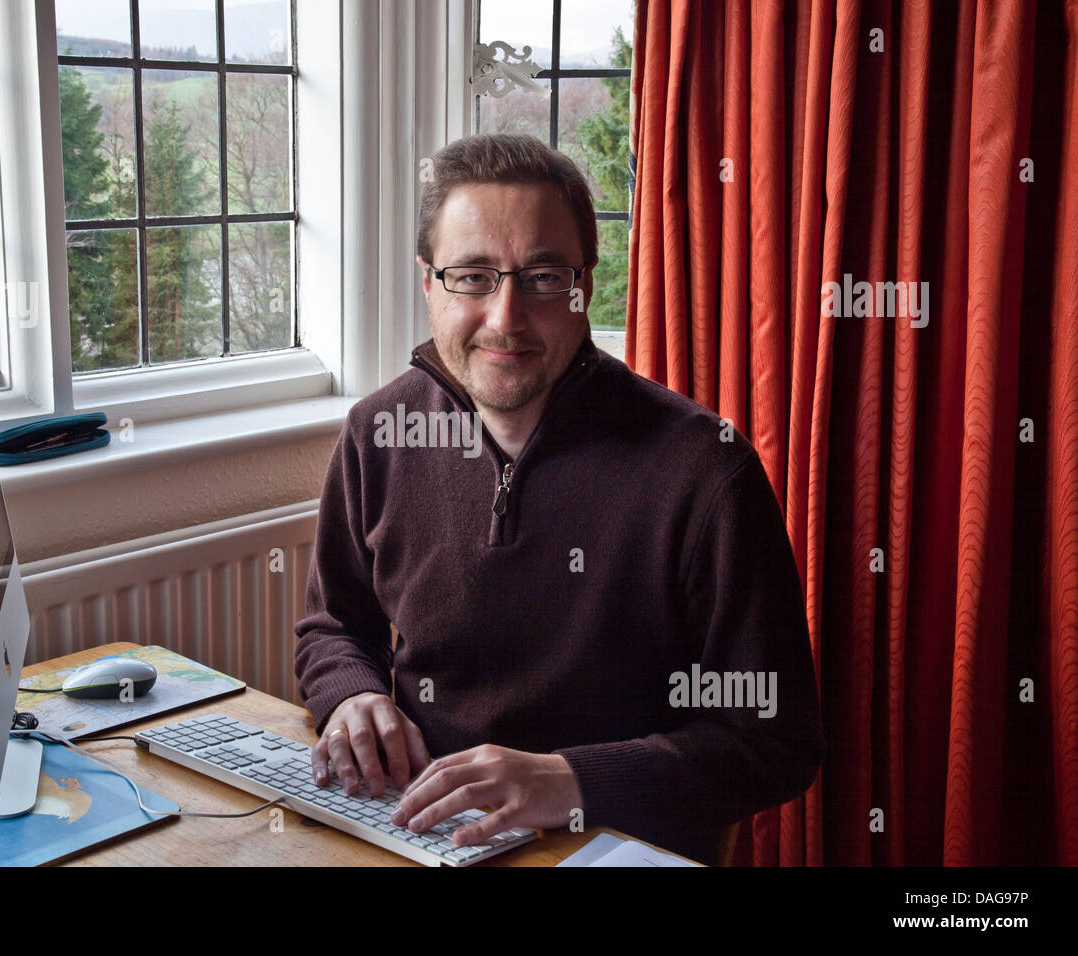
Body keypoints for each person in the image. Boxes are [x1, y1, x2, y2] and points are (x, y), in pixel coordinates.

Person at [294, 133, 823, 865]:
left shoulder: (707, 471)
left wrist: (570, 780)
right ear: (428, 283)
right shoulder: (377, 434)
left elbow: (774, 740)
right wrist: (351, 696)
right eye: (472, 276)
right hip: (416, 828)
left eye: (542, 277)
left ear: (586, 285)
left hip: (614, 843)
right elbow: (331, 627)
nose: (506, 318)